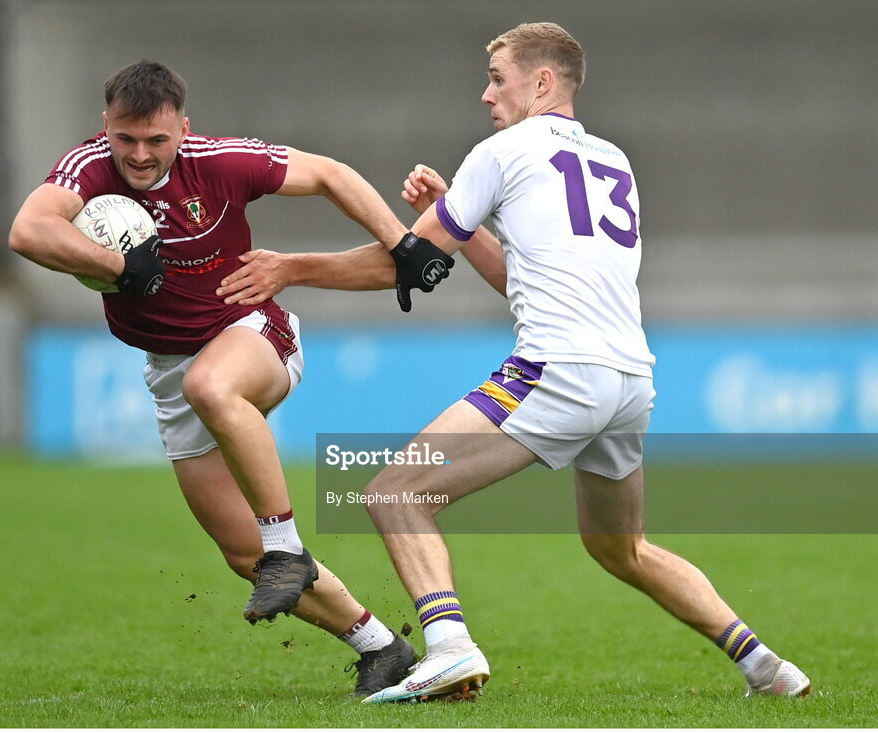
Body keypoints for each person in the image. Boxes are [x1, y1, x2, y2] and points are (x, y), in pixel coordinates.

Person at [216, 23, 811, 703]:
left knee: (392, 492)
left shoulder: (503, 151)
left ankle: (448, 647)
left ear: (543, 82)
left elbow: (408, 263)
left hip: (557, 368)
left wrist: (292, 267)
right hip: (628, 379)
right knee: (622, 547)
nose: (486, 93)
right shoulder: (613, 160)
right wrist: (462, 223)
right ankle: (767, 666)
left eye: (498, 78)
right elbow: (519, 278)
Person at [7, 59, 431, 696]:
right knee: (242, 555)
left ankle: (285, 543)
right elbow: (27, 230)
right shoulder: (87, 167)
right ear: (106, 128)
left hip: (254, 335)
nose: (141, 155)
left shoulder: (220, 160)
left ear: (184, 126)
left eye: (157, 140)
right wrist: (119, 263)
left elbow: (328, 174)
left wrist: (400, 243)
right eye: (126, 139)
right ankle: (381, 648)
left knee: (214, 388)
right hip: (169, 368)